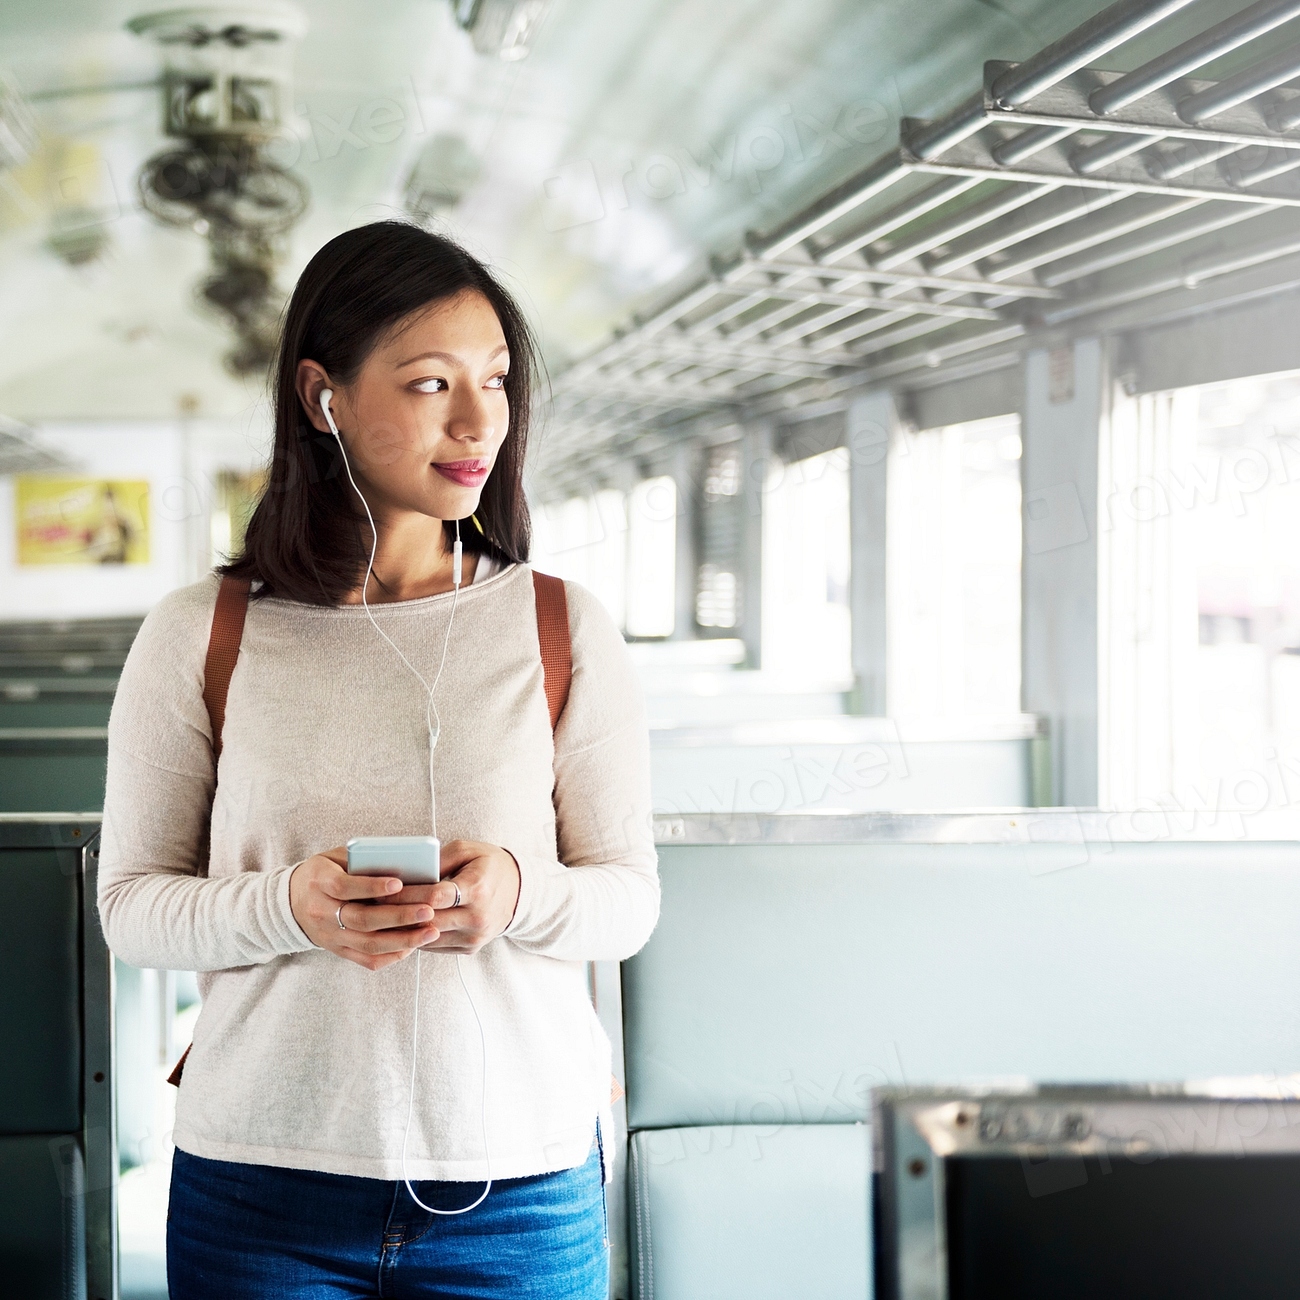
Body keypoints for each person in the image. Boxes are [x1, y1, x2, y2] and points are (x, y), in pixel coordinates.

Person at [98, 220, 659, 1299]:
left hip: (520, 1185)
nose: (475, 420)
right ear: (324, 397)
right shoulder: (202, 632)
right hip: (263, 1174)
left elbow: (627, 904)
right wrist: (288, 907)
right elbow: (130, 907)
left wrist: (516, 892)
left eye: (494, 382)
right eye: (428, 383)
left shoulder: (561, 626)